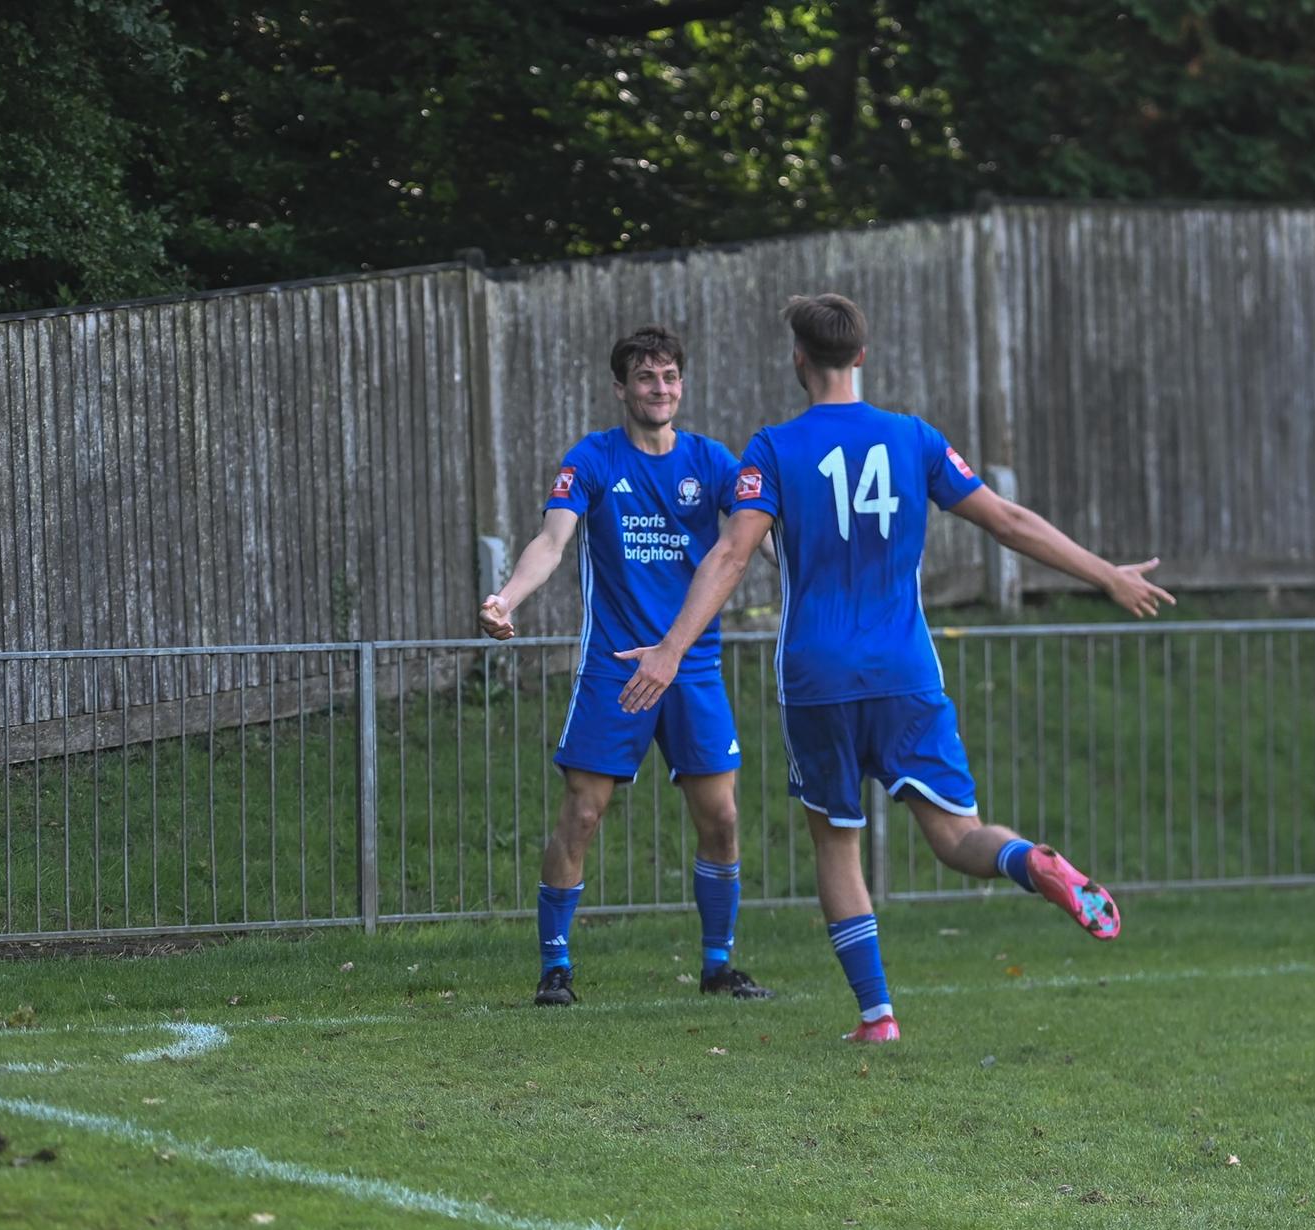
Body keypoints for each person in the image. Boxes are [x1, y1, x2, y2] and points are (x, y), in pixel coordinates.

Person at [615, 293, 1172, 1042]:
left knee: (836, 842)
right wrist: (1105, 573)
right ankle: (1025, 859)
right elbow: (1009, 520)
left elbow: (730, 553)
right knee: (956, 836)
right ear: (863, 358)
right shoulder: (914, 439)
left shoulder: (773, 449)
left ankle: (877, 1015)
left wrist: (671, 647)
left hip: (819, 677)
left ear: (799, 363)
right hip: (906, 670)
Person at [480, 325, 773, 1007]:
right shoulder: (591, 459)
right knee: (582, 813)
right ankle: (556, 967)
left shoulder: (713, 462)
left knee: (722, 818)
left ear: (682, 383)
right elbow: (552, 543)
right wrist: (505, 597)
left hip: (692, 667)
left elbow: (753, 539)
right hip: (616, 667)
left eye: (670, 376)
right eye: (647, 378)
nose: (660, 389)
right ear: (621, 387)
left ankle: (718, 965)